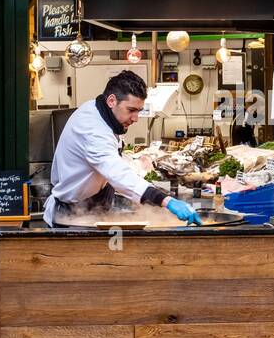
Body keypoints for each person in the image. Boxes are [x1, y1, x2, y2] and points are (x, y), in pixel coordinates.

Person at [44, 70, 200, 227]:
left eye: (138, 111)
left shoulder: (101, 113)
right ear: (112, 101)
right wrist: (166, 201)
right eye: (131, 110)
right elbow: (116, 172)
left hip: (95, 209)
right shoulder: (92, 129)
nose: (135, 118)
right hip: (72, 217)